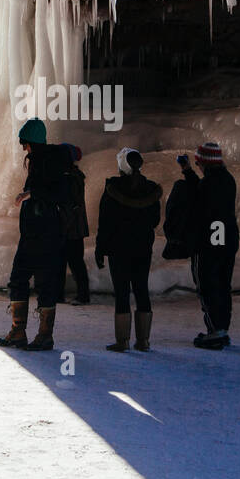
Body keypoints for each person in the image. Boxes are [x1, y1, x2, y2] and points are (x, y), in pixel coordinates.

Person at [0, 118, 71, 351]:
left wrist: (30, 193)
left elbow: (56, 192)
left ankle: (27, 333)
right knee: (42, 282)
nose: (23, 147)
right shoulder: (48, 160)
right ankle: (35, 334)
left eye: (25, 143)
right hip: (43, 233)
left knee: (20, 279)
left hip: (39, 233)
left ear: (33, 142)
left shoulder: (44, 161)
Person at [95, 148, 162, 351]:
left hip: (119, 248)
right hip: (142, 247)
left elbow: (104, 223)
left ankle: (122, 341)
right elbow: (155, 220)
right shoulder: (150, 190)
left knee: (122, 292)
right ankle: (143, 341)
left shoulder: (112, 189)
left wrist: (100, 249)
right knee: (142, 289)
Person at [180, 141, 239, 350]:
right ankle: (221, 330)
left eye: (198, 163)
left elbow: (198, 204)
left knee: (207, 283)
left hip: (211, 241)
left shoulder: (209, 184)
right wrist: (188, 172)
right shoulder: (227, 180)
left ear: (205, 162)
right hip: (227, 238)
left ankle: (214, 332)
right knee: (223, 284)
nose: (198, 166)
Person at [60, 143, 91, 305]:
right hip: (73, 228)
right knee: (70, 262)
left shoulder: (71, 178)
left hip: (71, 228)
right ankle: (65, 294)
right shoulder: (73, 176)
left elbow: (72, 204)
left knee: (74, 262)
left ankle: (82, 295)